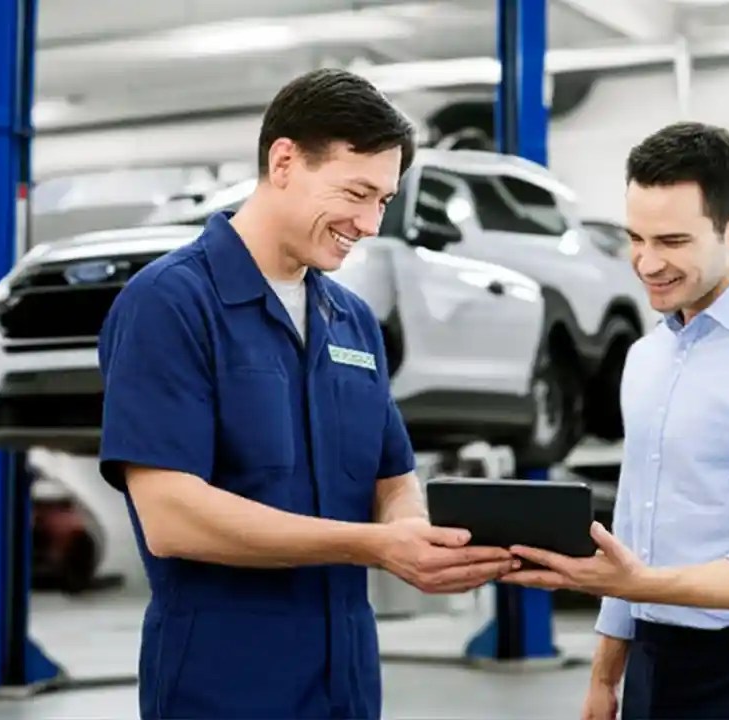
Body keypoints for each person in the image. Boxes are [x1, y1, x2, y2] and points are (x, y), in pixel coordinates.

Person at [96, 68, 518, 720]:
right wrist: (370, 546)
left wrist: (411, 535)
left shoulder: (352, 321)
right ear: (284, 161)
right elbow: (171, 518)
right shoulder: (171, 304)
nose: (371, 224)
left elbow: (392, 477)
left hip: (346, 680)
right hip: (222, 684)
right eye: (357, 192)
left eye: (384, 200)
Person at [501, 121, 729, 720]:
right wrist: (605, 675)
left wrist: (639, 585)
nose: (646, 263)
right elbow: (633, 526)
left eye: (671, 241)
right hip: (650, 664)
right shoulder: (649, 358)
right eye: (634, 238)